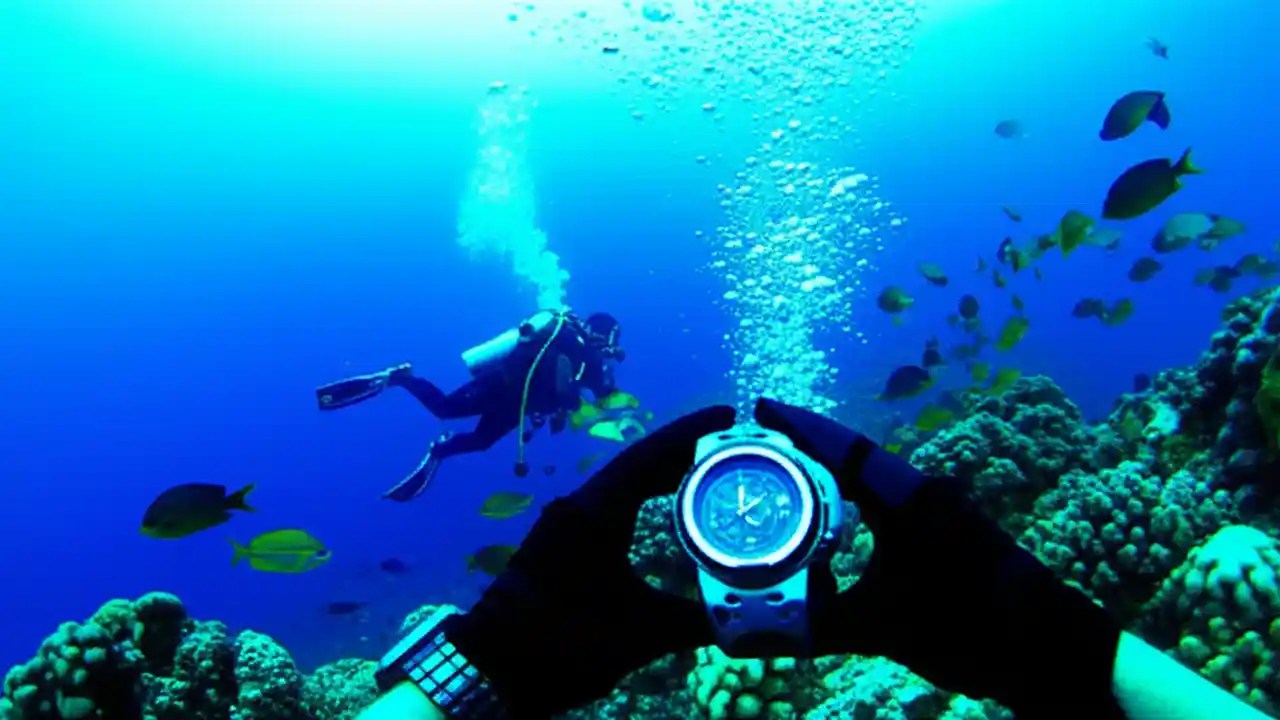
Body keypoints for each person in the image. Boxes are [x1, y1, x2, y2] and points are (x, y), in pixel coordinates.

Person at [356, 398, 1276, 720]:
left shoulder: (813, 526)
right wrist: (1073, 650)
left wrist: (478, 681)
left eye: (765, 507)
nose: (748, 514)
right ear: (688, 522)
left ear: (823, 521)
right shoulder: (725, 527)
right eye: (729, 512)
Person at [316, 309, 624, 501]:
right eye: (613, 343)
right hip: (503, 393)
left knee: (473, 435)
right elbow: (602, 394)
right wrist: (605, 371)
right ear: (605, 335)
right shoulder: (588, 355)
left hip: (508, 399)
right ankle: (399, 379)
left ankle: (439, 448)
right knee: (448, 412)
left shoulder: (564, 336)